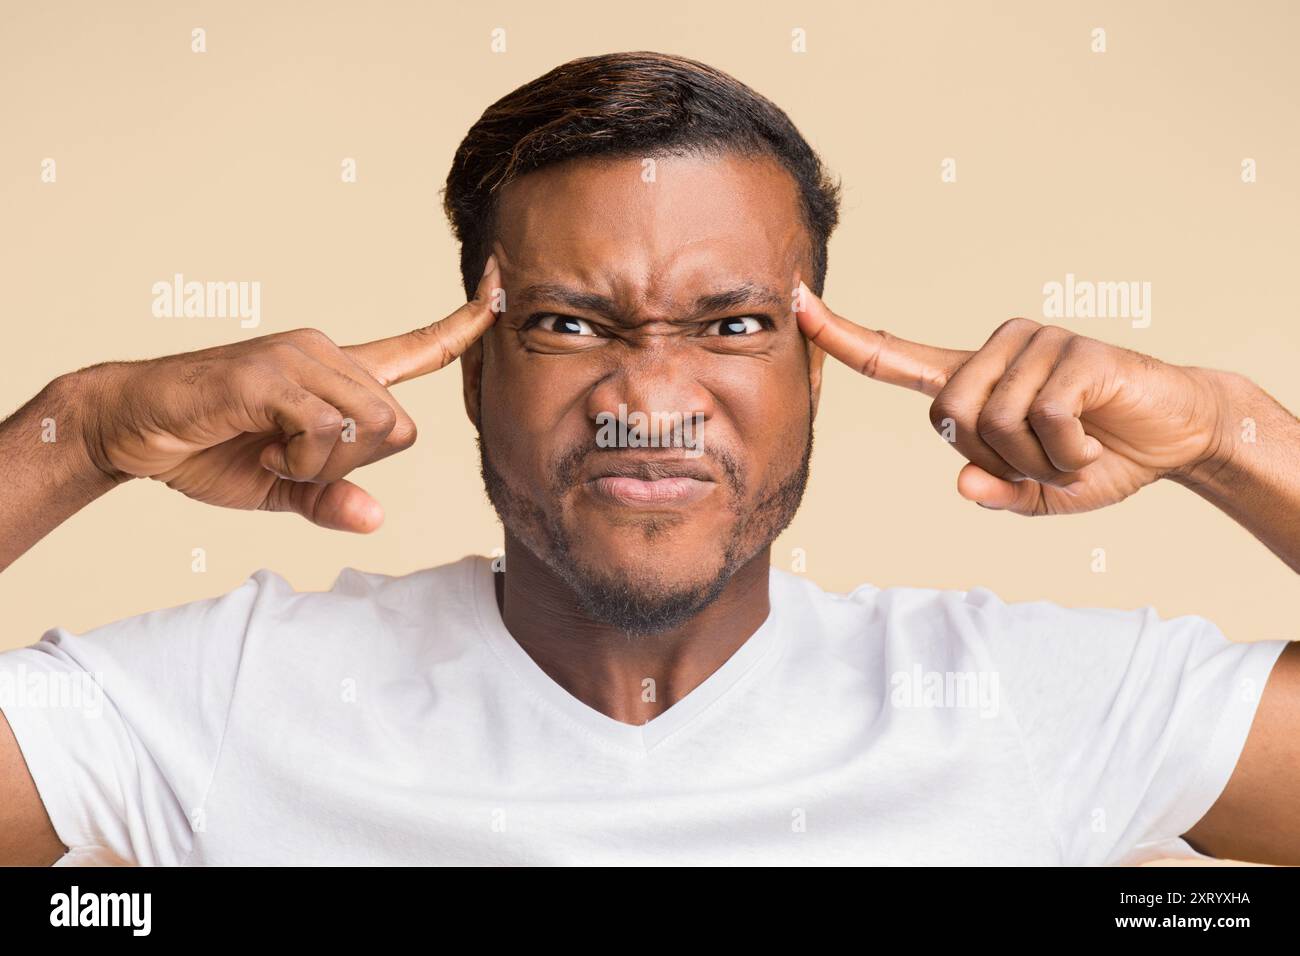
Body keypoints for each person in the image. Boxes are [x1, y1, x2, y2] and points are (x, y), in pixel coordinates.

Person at [0, 52, 1296, 867]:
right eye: (570, 324)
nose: (653, 397)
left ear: (817, 370)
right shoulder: (233, 699)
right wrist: (83, 431)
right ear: (473, 370)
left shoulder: (1020, 703)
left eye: (734, 326)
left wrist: (1234, 435)